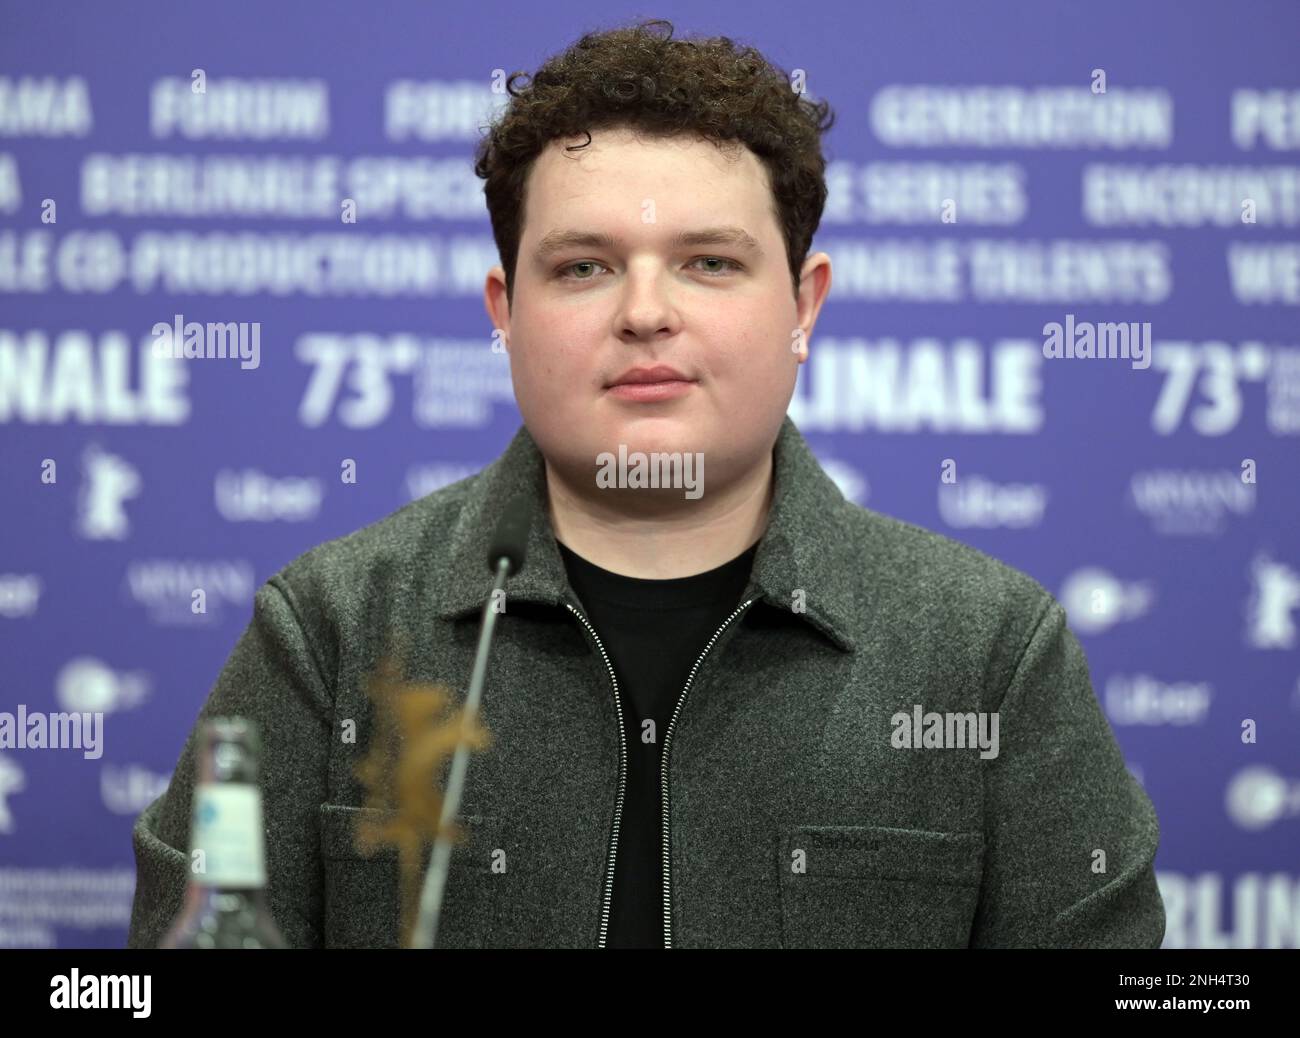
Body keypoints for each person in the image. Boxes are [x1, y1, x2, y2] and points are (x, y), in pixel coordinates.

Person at [128, 18, 1165, 949]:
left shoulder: (986, 652)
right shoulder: (331, 629)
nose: (645, 312)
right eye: (583, 266)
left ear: (805, 304)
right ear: (505, 310)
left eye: (708, 262)